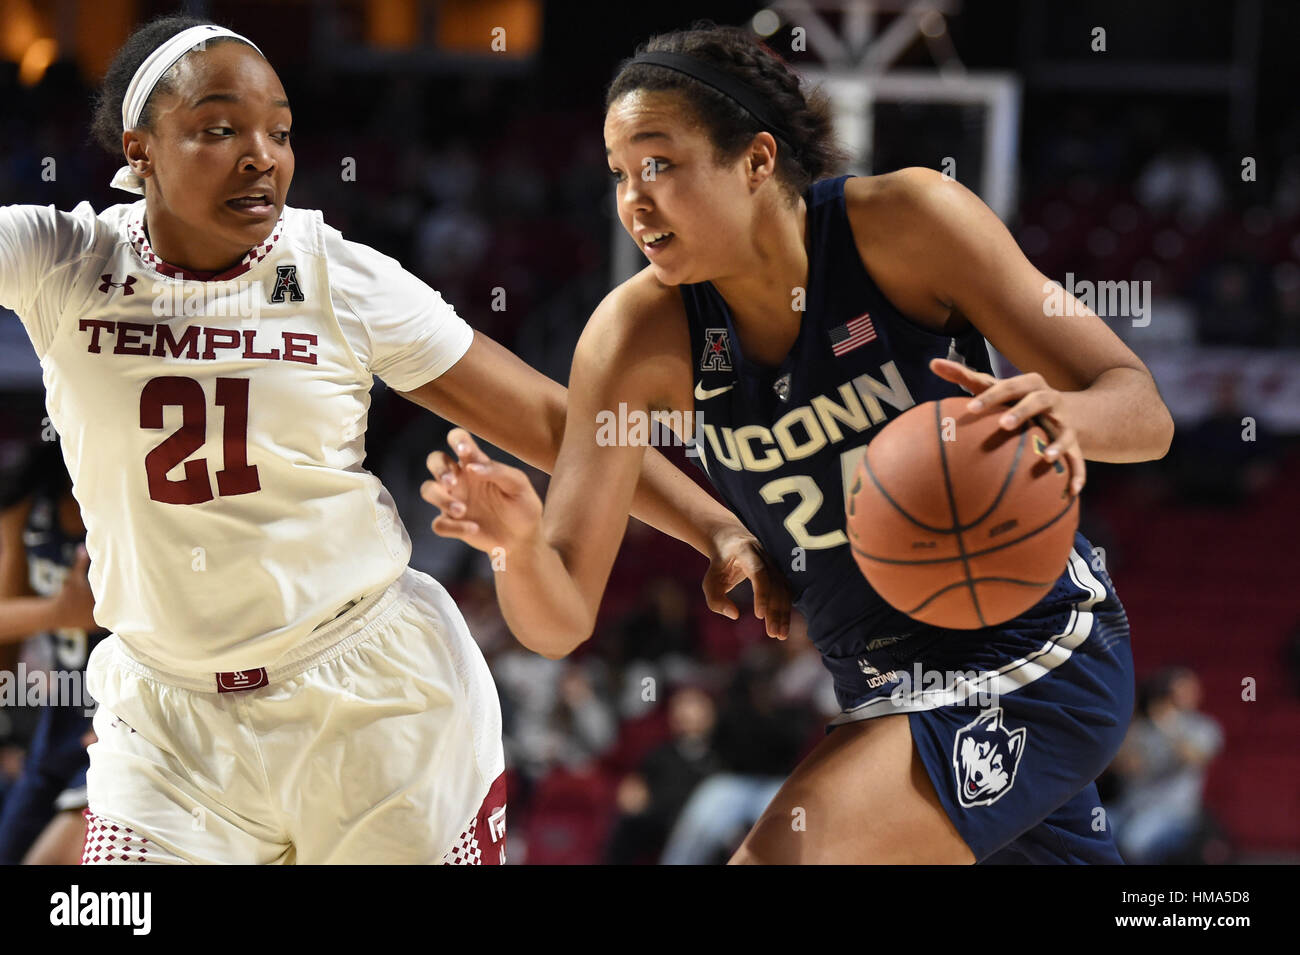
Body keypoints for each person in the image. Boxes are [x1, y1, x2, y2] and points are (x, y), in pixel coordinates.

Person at [0, 15, 786, 864]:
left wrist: (715, 525)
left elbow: (560, 425)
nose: (261, 154)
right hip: (168, 719)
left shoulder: (337, 273)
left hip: (367, 698)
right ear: (141, 150)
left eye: (280, 130)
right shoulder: (64, 260)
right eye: (219, 129)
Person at [423, 24, 1175, 864]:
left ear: (755, 160)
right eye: (621, 174)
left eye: (660, 164)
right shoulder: (633, 338)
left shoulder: (907, 223)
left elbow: (1142, 408)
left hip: (1036, 652)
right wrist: (517, 548)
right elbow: (558, 619)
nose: (635, 199)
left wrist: (1065, 420)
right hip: (881, 690)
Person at [0, 441, 104, 864]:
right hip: (60, 718)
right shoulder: (29, 493)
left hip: (123, 716)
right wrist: (58, 611)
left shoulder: (139, 488)